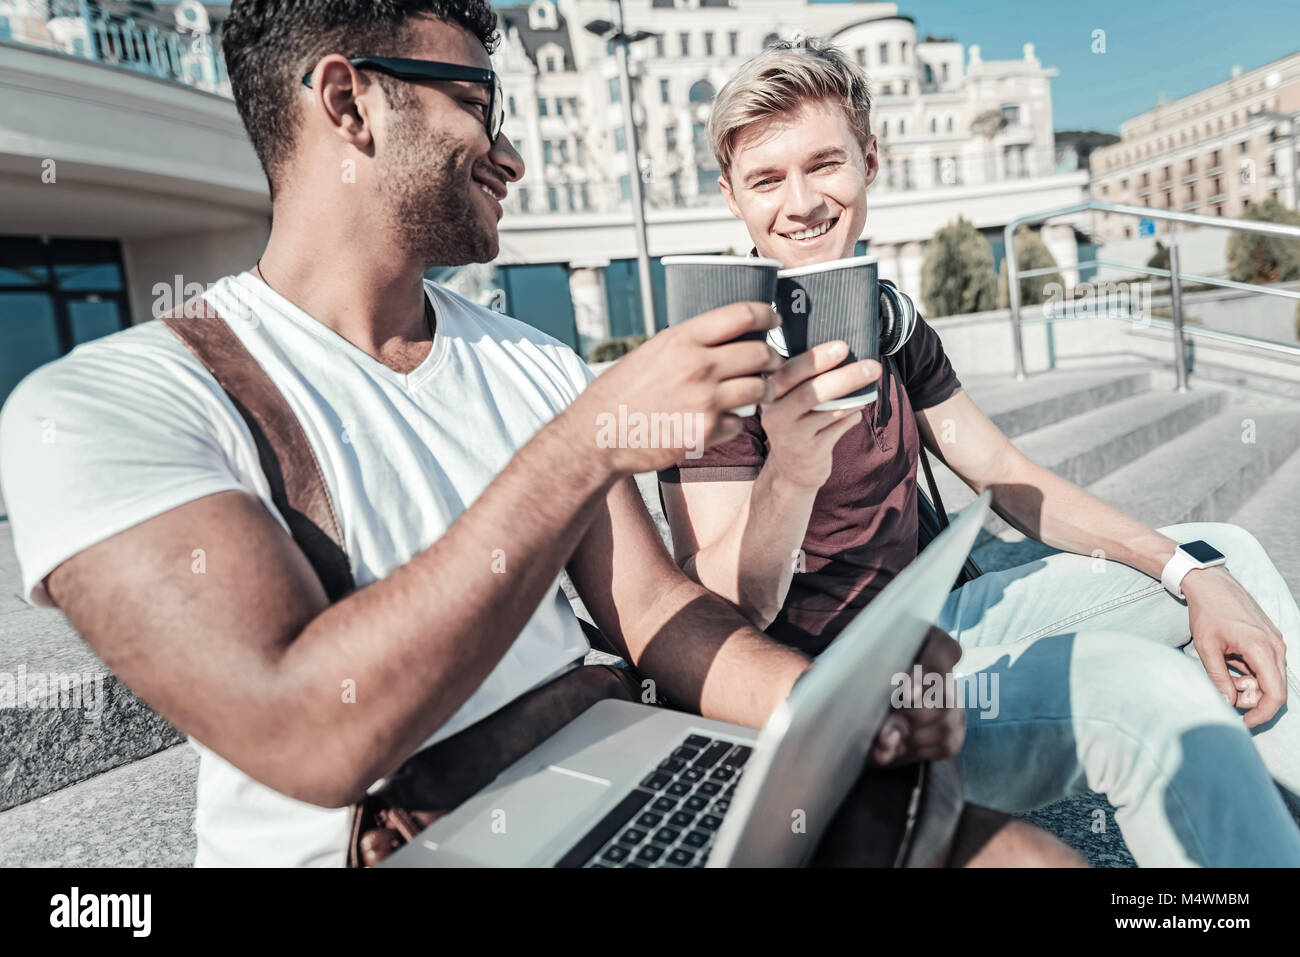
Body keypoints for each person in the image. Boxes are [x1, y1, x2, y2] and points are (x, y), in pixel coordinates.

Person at [0, 2, 1078, 867]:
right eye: (477, 102)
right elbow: (305, 734)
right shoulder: (109, 405)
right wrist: (585, 441)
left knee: (1026, 859)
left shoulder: (529, 360)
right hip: (407, 841)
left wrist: (832, 710)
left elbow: (658, 616)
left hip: (621, 770)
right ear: (348, 101)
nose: (508, 153)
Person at [659, 37, 1300, 867]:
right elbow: (728, 610)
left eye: (826, 164)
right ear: (732, 198)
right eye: (767, 179)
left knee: (1230, 559)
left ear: (870, 163)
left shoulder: (888, 319)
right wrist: (788, 469)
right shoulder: (710, 359)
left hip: (937, 620)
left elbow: (1007, 475)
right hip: (841, 692)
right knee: (1143, 691)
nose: (803, 201)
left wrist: (1187, 573)